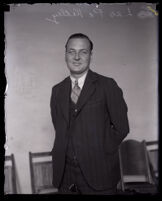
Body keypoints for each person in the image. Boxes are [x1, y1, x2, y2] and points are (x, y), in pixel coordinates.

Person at [50, 33, 129, 194]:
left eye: (83, 52)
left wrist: (100, 150)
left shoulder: (108, 85)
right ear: (65, 55)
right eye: (71, 51)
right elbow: (59, 126)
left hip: (100, 174)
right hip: (65, 177)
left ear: (90, 55)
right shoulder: (57, 90)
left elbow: (122, 128)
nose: (77, 57)